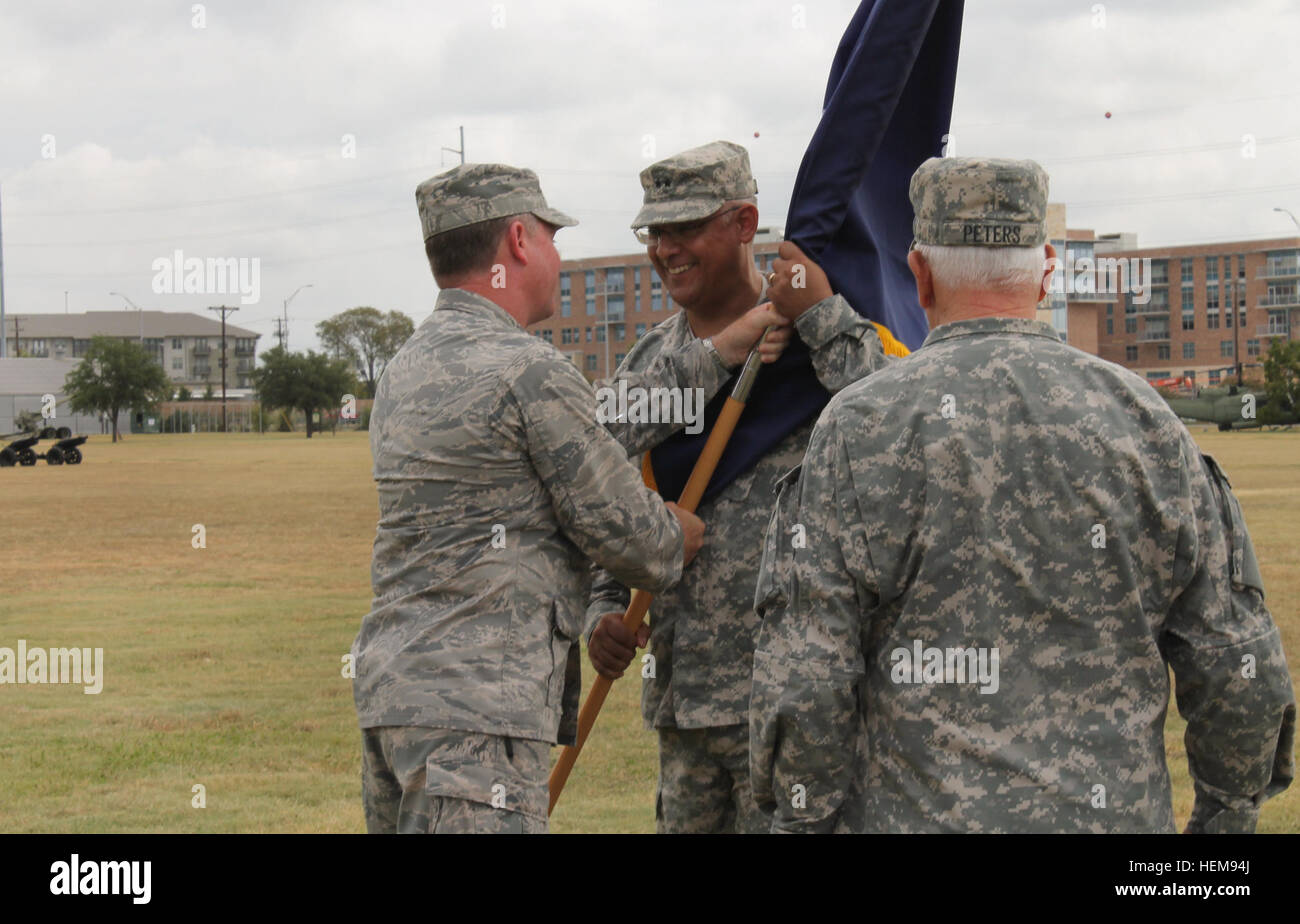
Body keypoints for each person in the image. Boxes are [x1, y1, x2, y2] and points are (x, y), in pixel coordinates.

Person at [749, 156, 1296, 833]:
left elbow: (805, 678)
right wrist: (1222, 827)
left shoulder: (859, 430)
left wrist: (802, 821)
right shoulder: (1147, 424)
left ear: (918, 275)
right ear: (1044, 269)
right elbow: (1236, 665)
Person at [351, 162, 707, 834]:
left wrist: (713, 357)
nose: (558, 255)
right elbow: (638, 542)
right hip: (475, 719)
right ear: (518, 240)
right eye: (550, 236)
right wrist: (682, 530)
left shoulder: (405, 368)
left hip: (395, 700)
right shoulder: (530, 370)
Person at [584, 140, 892, 833]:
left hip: (794, 707)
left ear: (745, 222)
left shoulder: (823, 341)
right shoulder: (651, 364)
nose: (666, 250)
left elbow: (890, 426)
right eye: (654, 233)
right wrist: (600, 612)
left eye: (685, 228)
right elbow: (593, 489)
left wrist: (818, 314)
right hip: (684, 706)